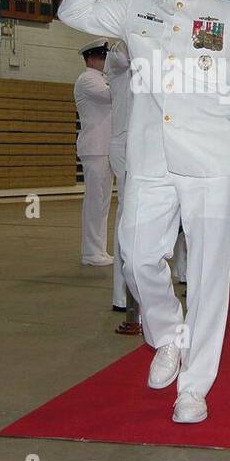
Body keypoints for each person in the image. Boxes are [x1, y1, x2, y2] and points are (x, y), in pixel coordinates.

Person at [57, 0, 230, 424]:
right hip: (151, 157)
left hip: (211, 159)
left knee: (206, 274)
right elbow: (70, 10)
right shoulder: (135, 4)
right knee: (135, 255)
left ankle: (194, 387)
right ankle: (170, 335)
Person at [73, 39, 115, 268]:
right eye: (102, 57)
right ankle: (91, 252)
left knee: (102, 202)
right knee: (95, 202)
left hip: (103, 147)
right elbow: (113, 96)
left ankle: (98, 249)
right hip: (96, 147)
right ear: (91, 59)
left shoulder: (102, 80)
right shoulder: (88, 79)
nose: (106, 60)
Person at [105, 39, 134, 311]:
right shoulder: (115, 53)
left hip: (149, 141)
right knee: (128, 213)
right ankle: (122, 295)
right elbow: (125, 59)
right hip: (125, 143)